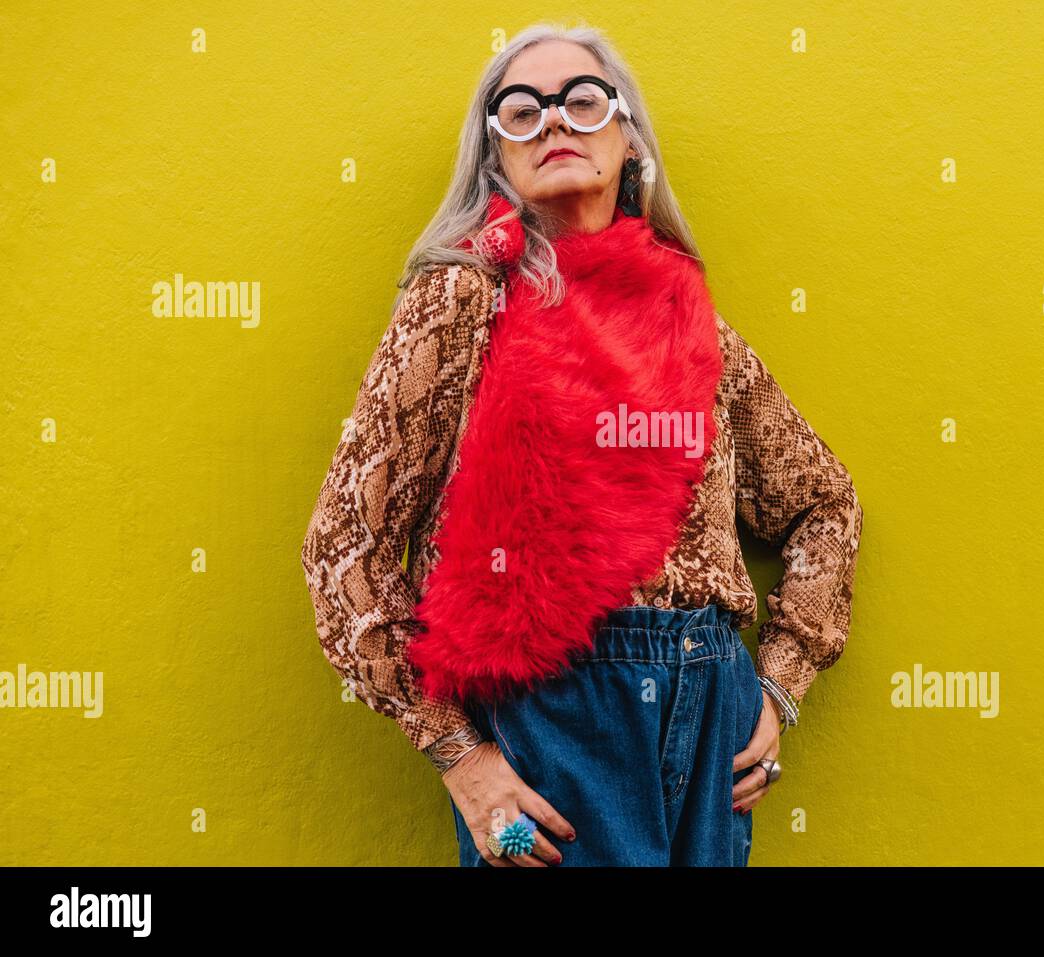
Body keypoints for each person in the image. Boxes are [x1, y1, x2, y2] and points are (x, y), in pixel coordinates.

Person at [300, 22, 863, 867]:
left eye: (581, 101)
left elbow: (827, 506)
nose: (553, 121)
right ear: (496, 158)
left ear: (627, 137)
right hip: (555, 720)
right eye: (520, 111)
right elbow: (343, 542)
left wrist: (779, 682)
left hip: (711, 707)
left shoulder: (697, 333)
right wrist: (463, 756)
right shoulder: (462, 303)